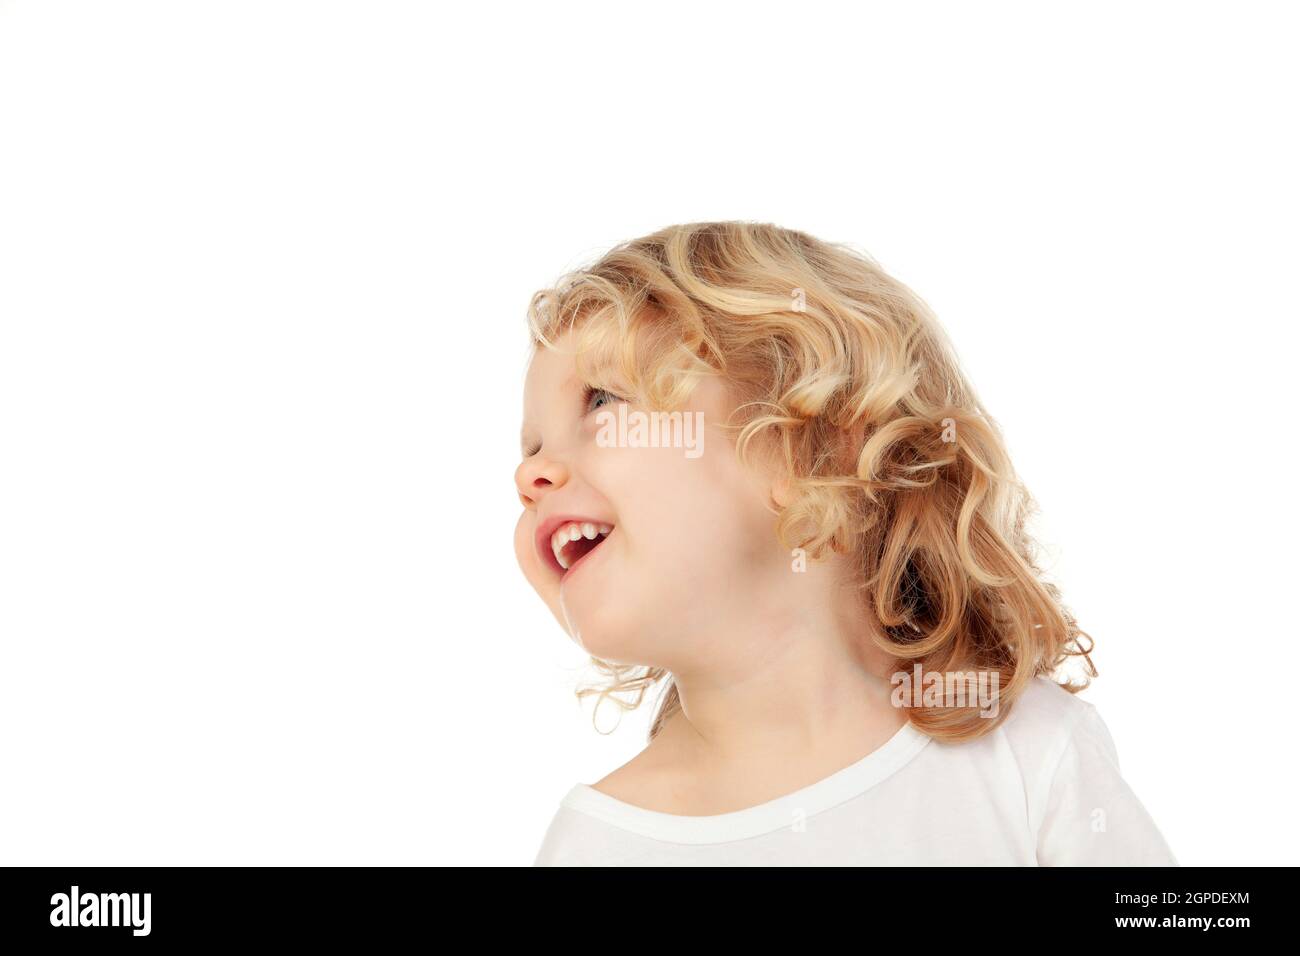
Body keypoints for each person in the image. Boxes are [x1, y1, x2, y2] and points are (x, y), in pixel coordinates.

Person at [513, 221, 1177, 866]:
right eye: (532, 445)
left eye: (601, 401)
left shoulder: (1026, 757)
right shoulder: (596, 846)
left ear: (812, 448)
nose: (529, 475)